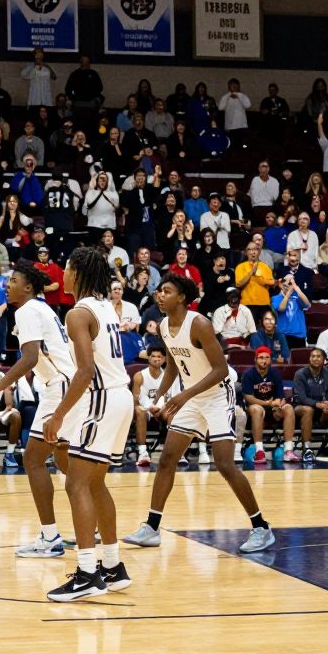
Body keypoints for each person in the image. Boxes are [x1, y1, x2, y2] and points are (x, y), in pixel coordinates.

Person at [124, 273, 275, 552]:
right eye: (159, 291)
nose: (160, 295)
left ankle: (261, 528)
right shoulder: (165, 326)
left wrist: (183, 395)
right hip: (192, 395)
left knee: (224, 465)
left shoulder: (200, 324)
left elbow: (219, 370)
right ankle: (151, 528)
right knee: (168, 457)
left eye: (166, 291)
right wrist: (160, 395)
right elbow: (173, 365)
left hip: (217, 393)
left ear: (181, 297)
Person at [41, 247, 133, 601]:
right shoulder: (106, 306)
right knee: (95, 485)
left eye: (64, 268)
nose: (61, 275)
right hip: (122, 395)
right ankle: (112, 566)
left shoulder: (78, 313)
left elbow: (84, 372)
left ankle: (87, 574)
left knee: (76, 484)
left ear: (75, 271)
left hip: (104, 398)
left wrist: (59, 413)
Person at [0, 261, 75, 557]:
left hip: (59, 386)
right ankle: (88, 528)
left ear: (28, 287)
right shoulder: (43, 308)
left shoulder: (28, 310)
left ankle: (50, 537)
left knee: (32, 459)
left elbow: (29, 358)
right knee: (66, 459)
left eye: (13, 279)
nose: (6, 284)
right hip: (68, 384)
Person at [242, 346, 295, 464]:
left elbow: (280, 396)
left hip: (272, 408)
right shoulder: (248, 374)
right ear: (255, 359)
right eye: (261, 358)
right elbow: (249, 398)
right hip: (254, 410)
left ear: (270, 360)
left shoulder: (275, 373)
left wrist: (278, 405)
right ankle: (259, 451)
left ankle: (288, 450)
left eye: (266, 357)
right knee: (257, 409)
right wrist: (268, 403)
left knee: (289, 408)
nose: (264, 360)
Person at [293, 347, 328, 463]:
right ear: (309, 359)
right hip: (301, 407)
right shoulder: (300, 374)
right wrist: (318, 404)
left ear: (324, 360)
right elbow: (302, 397)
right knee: (308, 410)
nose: (315, 358)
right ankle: (307, 449)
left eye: (318, 356)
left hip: (322, 408)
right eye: (313, 356)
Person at [234, 242, 275, 322]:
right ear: (246, 252)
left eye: (256, 249)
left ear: (259, 252)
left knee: (264, 330)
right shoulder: (240, 267)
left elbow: (272, 283)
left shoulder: (265, 267)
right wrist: (251, 273)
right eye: (250, 249)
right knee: (248, 331)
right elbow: (239, 284)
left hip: (264, 304)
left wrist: (259, 279)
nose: (253, 252)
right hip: (247, 304)